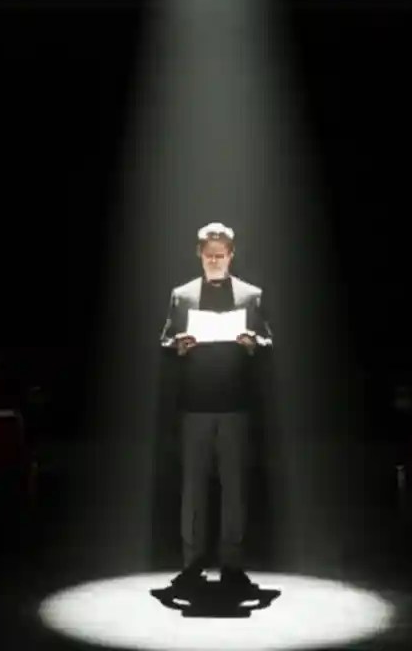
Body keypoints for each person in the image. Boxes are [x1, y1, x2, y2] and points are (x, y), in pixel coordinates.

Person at [160, 222, 273, 590]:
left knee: (234, 488)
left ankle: (232, 563)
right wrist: (177, 345)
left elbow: (269, 342)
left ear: (231, 255)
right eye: (209, 256)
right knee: (193, 488)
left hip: (235, 404)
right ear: (199, 254)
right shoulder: (182, 295)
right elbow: (164, 341)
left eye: (220, 255)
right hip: (195, 404)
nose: (214, 261)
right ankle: (192, 562)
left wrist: (254, 343)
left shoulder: (251, 295)